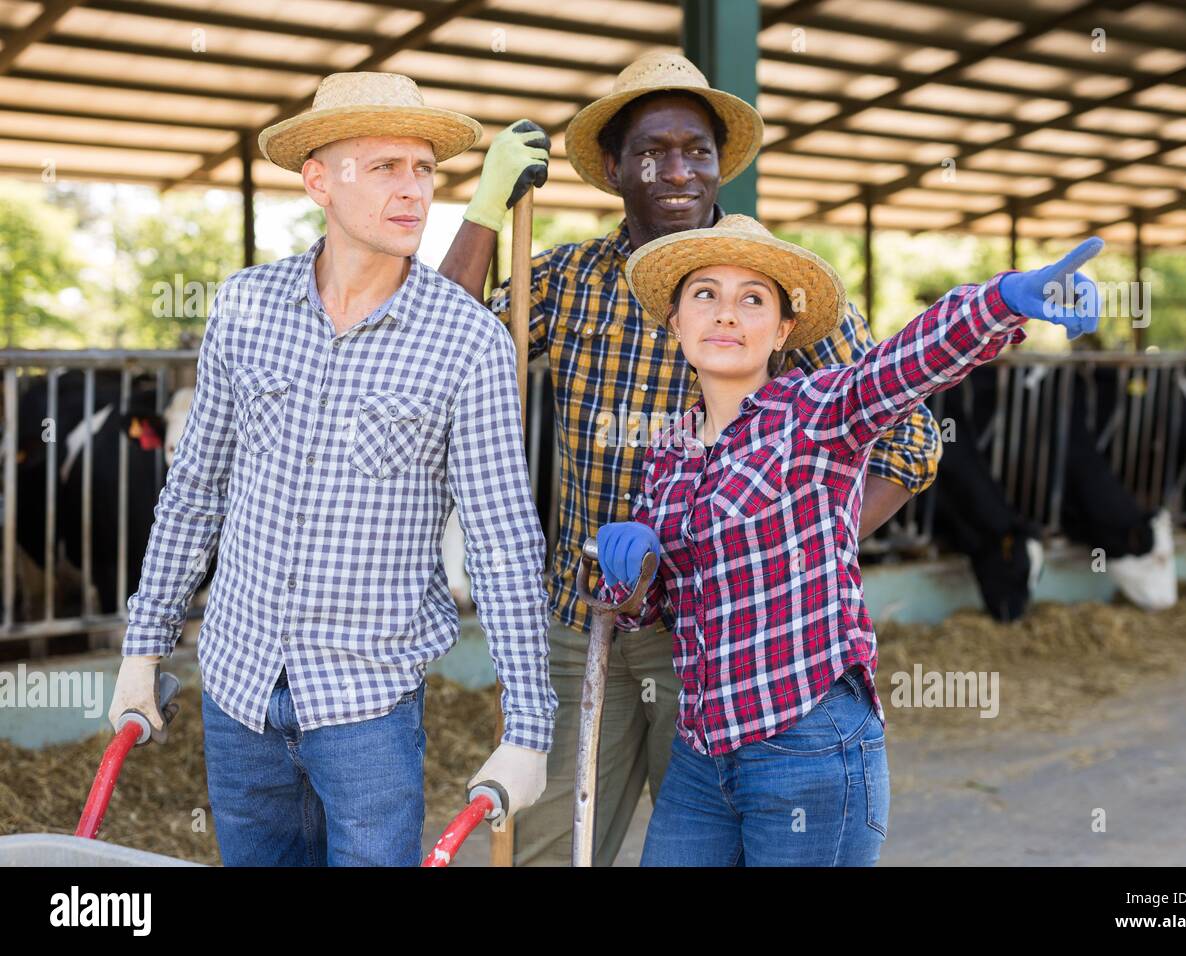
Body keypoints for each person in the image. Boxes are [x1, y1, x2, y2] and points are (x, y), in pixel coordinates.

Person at [438, 52, 942, 866]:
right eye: (651, 151)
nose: (678, 170)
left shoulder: (771, 287)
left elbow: (913, 440)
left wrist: (806, 540)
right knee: (545, 849)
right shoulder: (567, 283)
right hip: (581, 619)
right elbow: (435, 351)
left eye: (698, 150)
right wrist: (487, 207)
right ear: (613, 167)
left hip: (721, 641)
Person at [108, 71, 558, 866]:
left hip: (369, 712)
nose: (413, 189)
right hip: (238, 691)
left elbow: (502, 541)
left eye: (424, 170)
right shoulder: (247, 307)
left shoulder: (467, 340)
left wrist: (527, 727)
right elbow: (195, 492)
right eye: (384, 167)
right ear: (319, 178)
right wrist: (144, 648)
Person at [596, 215, 1103, 866]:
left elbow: (901, 366)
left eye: (753, 298)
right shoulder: (666, 453)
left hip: (806, 745)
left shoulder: (815, 415)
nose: (726, 314)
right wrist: (631, 574)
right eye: (705, 295)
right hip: (700, 752)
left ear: (782, 331)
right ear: (675, 322)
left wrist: (999, 300)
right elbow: (650, 608)